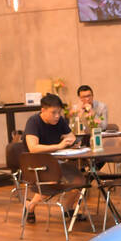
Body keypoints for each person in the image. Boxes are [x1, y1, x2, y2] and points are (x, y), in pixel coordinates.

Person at [21, 93, 79, 223]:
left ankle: (67, 208)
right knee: (53, 179)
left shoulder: (60, 121)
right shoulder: (33, 122)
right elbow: (33, 148)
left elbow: (71, 137)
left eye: (59, 112)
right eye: (53, 113)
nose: (57, 116)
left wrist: (72, 141)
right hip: (35, 165)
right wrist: (58, 146)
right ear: (43, 110)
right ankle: (30, 206)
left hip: (56, 162)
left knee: (80, 178)